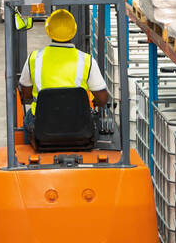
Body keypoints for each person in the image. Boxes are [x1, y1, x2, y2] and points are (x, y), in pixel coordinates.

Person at [18, 8, 109, 142]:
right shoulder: (87, 60)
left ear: (48, 31)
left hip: (42, 125)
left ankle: (28, 157)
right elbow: (103, 98)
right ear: (74, 32)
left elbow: (25, 94)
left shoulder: (34, 58)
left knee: (27, 120)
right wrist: (94, 102)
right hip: (78, 125)